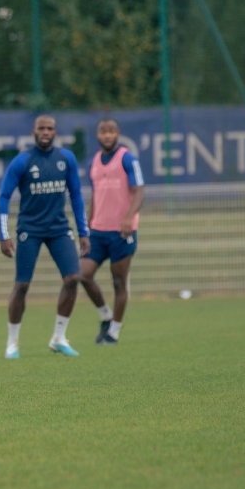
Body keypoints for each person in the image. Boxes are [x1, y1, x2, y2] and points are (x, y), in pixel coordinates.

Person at [0, 115, 89, 359]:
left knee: (73, 278)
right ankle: (12, 343)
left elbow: (76, 195)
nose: (45, 132)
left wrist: (84, 232)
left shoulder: (66, 158)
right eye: (41, 128)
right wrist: (3, 235)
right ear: (34, 131)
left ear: (55, 132)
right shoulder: (23, 161)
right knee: (22, 285)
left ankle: (59, 338)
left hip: (59, 229)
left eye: (50, 128)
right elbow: (4, 197)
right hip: (30, 230)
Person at [80, 118, 145, 344]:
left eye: (111, 131)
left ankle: (114, 331)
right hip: (98, 231)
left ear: (118, 134)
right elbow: (95, 197)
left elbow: (139, 192)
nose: (107, 135)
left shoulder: (127, 159)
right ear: (97, 135)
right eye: (103, 131)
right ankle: (106, 316)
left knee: (118, 282)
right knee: (82, 274)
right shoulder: (94, 162)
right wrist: (86, 227)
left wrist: (128, 218)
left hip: (121, 232)